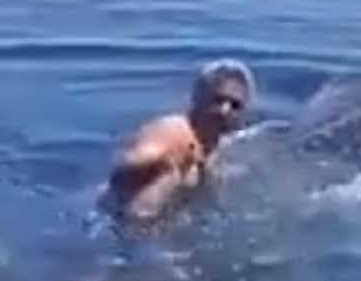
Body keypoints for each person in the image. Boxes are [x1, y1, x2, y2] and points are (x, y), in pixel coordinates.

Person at [105, 61, 256, 225]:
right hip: (122, 228)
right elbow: (124, 167)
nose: (224, 110)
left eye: (235, 105)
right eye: (217, 100)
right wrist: (162, 160)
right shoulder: (175, 131)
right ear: (198, 98)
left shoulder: (215, 144)